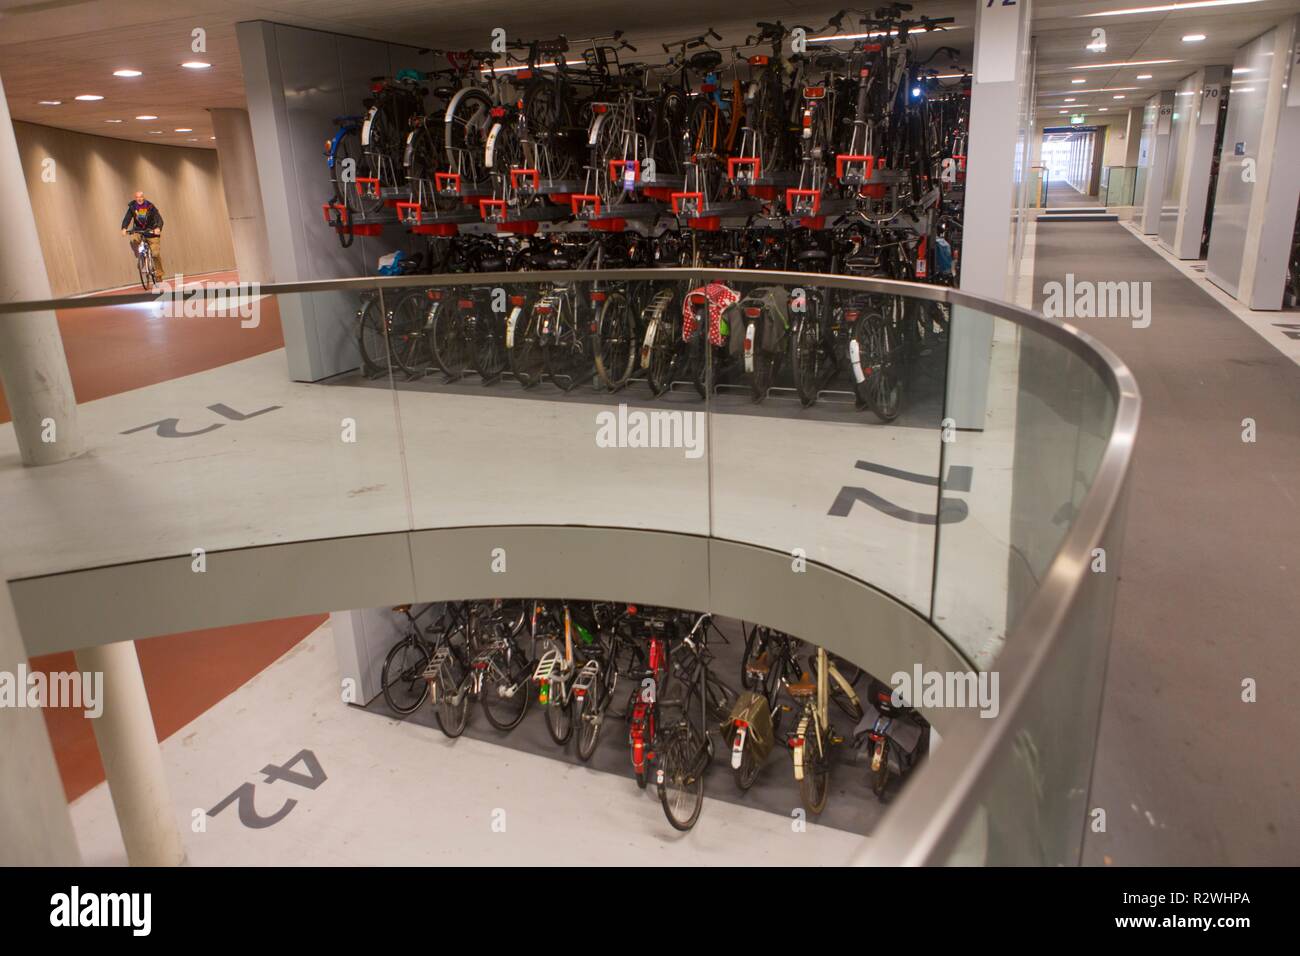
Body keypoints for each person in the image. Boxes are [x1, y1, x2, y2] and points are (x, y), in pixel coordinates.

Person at [120, 191, 164, 275]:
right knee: (133, 239)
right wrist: (124, 228)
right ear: (135, 198)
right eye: (137, 197)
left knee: (155, 254)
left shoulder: (150, 206)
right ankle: (141, 257)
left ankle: (159, 274)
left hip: (151, 232)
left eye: (141, 197)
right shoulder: (133, 207)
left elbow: (159, 219)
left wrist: (158, 228)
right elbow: (127, 218)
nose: (139, 199)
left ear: (143, 197)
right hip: (139, 231)